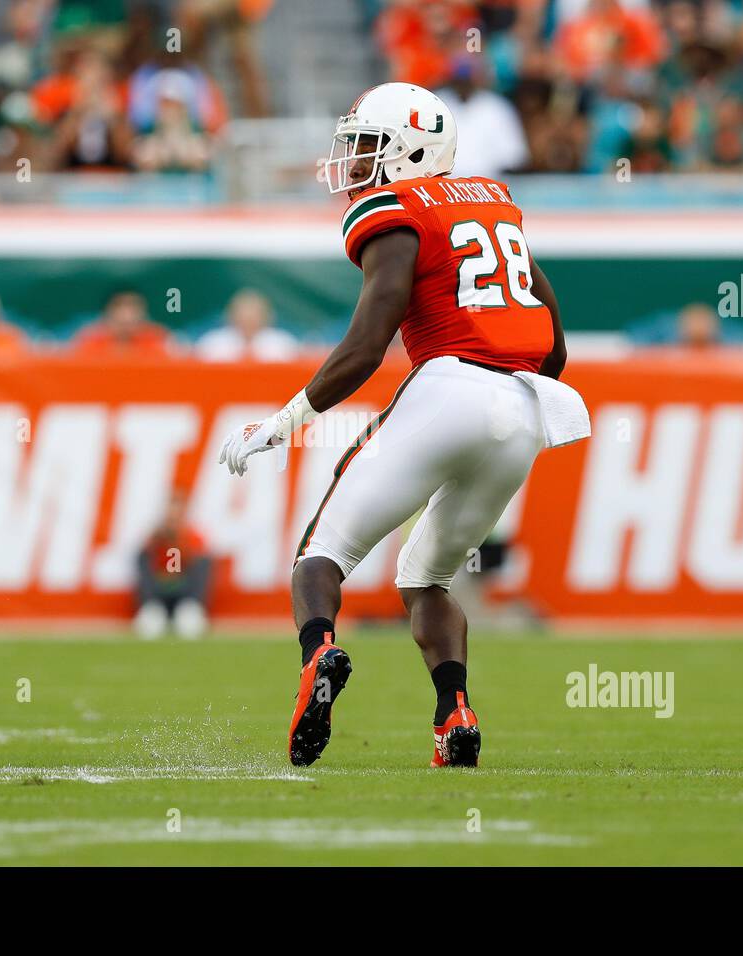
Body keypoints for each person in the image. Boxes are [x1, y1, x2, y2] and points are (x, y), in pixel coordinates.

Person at [218, 83, 586, 769]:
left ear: (410, 151)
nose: (352, 164)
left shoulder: (397, 208)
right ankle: (455, 715)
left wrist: (287, 418)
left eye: (366, 149)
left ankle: (320, 652)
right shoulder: (494, 201)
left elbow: (367, 343)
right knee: (427, 579)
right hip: (526, 407)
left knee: (321, 553)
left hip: (450, 386)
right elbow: (554, 341)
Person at [133, 492, 212, 640]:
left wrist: (181, 543)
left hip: (184, 593)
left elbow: (200, 566)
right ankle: (150, 608)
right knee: (142, 556)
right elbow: (144, 566)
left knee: (203, 560)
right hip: (159, 593)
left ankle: (192, 608)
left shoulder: (192, 536)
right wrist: (158, 542)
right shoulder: (155, 537)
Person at [194, 289, 298, 362]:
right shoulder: (212, 343)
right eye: (243, 315)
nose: (248, 321)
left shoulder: (283, 344)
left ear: (267, 317)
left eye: (254, 316)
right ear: (230, 316)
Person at [72, 290, 173, 358]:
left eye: (134, 307)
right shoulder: (87, 341)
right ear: (106, 312)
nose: (126, 315)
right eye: (118, 306)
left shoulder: (161, 341)